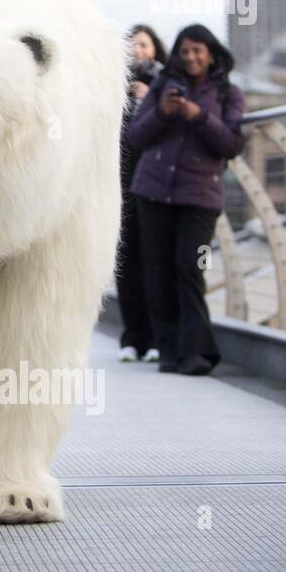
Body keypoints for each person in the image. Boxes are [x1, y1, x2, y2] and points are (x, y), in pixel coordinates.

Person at [127, 24, 245, 376]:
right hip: (152, 191)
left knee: (191, 267)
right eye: (185, 51)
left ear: (211, 53)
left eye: (198, 51)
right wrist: (162, 111)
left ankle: (195, 351)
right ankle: (169, 351)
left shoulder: (229, 93)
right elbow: (136, 136)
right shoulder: (163, 86)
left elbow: (231, 144)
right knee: (158, 270)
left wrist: (199, 116)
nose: (191, 57)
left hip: (200, 197)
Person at [115, 25, 166, 363]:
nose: (138, 51)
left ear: (156, 49)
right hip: (122, 190)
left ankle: (159, 337)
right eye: (131, 46)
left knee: (156, 262)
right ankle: (133, 337)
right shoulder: (114, 87)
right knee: (126, 264)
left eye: (144, 45)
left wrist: (149, 100)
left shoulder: (168, 84)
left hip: (157, 187)